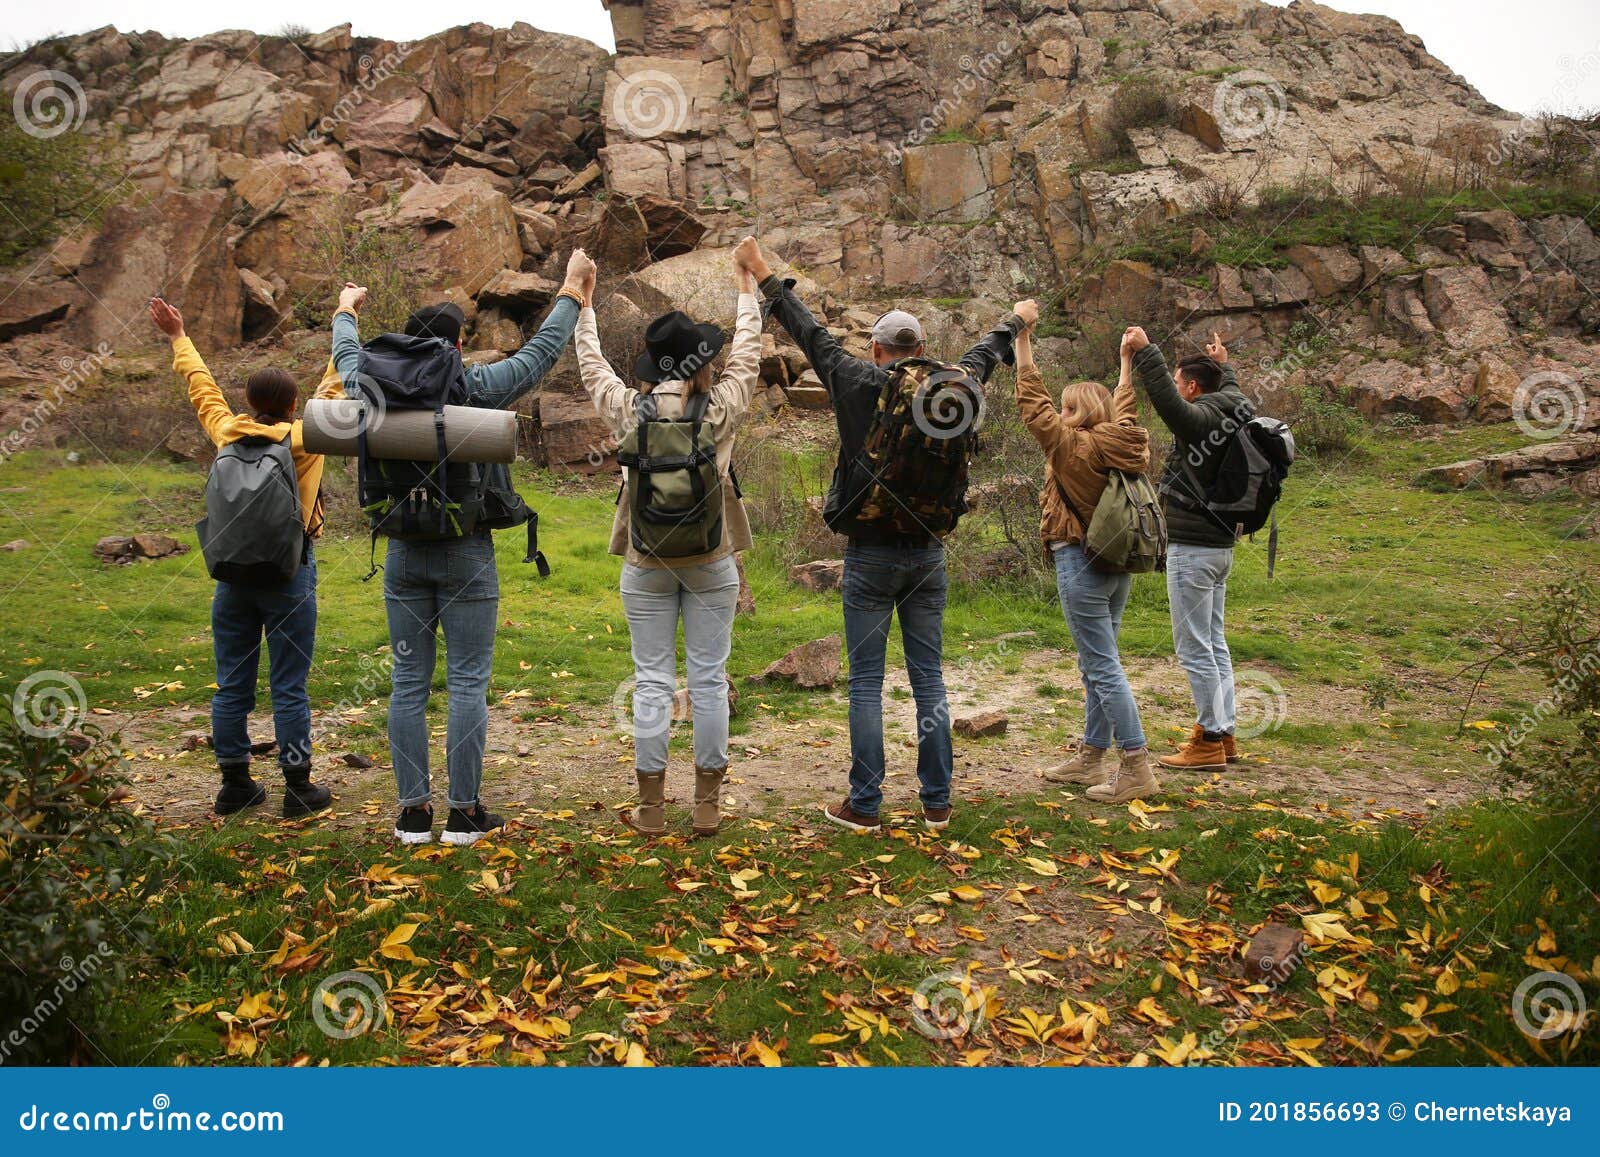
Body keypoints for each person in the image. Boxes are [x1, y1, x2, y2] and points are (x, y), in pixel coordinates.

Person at [736, 236, 1027, 832]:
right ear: (921, 348)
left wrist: (764, 273)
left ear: (876, 349)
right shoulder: (957, 383)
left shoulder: (858, 380)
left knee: (866, 681)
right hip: (929, 553)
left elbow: (809, 334)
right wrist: (1017, 318)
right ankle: (937, 801)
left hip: (870, 553)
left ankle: (864, 805)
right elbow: (988, 352)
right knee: (929, 677)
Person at [331, 253, 594, 845]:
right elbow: (537, 359)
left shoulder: (372, 386)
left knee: (407, 680)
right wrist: (573, 293)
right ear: (453, 346)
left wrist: (345, 311)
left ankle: (412, 815)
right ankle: (464, 813)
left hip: (401, 551)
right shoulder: (472, 385)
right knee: (469, 680)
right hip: (467, 549)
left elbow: (345, 355)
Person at [574, 245, 761, 837]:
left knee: (651, 678)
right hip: (711, 559)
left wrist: (583, 304)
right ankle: (707, 806)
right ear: (702, 361)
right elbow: (750, 357)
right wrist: (746, 287)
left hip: (646, 559)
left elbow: (591, 366)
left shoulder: (631, 410)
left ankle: (652, 809)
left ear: (653, 366)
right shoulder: (720, 407)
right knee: (708, 679)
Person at [149, 296, 342, 819]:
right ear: (293, 402)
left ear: (249, 401)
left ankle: (235, 786)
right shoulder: (303, 437)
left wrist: (178, 336)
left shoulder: (227, 431)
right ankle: (298, 789)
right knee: (289, 684)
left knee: (232, 680)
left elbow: (202, 391)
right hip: (290, 573)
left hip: (232, 573)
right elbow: (334, 387)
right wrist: (345, 319)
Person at [1014, 316, 1158, 803]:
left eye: (1066, 406)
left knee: (1101, 665)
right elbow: (1127, 410)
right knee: (1100, 661)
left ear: (1075, 410)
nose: (1060, 410)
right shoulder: (1122, 442)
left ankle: (1136, 766)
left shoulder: (1071, 447)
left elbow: (1033, 405)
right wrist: (1124, 364)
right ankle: (1091, 756)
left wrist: (1023, 339)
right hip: (1116, 565)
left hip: (1080, 560)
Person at [1123, 326, 1254, 772]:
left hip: (1194, 548)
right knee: (1214, 641)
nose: (1179, 389)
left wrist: (1146, 354)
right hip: (1220, 547)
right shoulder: (1236, 405)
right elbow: (1229, 384)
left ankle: (1208, 741)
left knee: (1194, 647)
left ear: (1194, 387)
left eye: (1182, 383)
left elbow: (1168, 405)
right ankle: (1223, 732)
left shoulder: (1203, 419)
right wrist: (1225, 362)